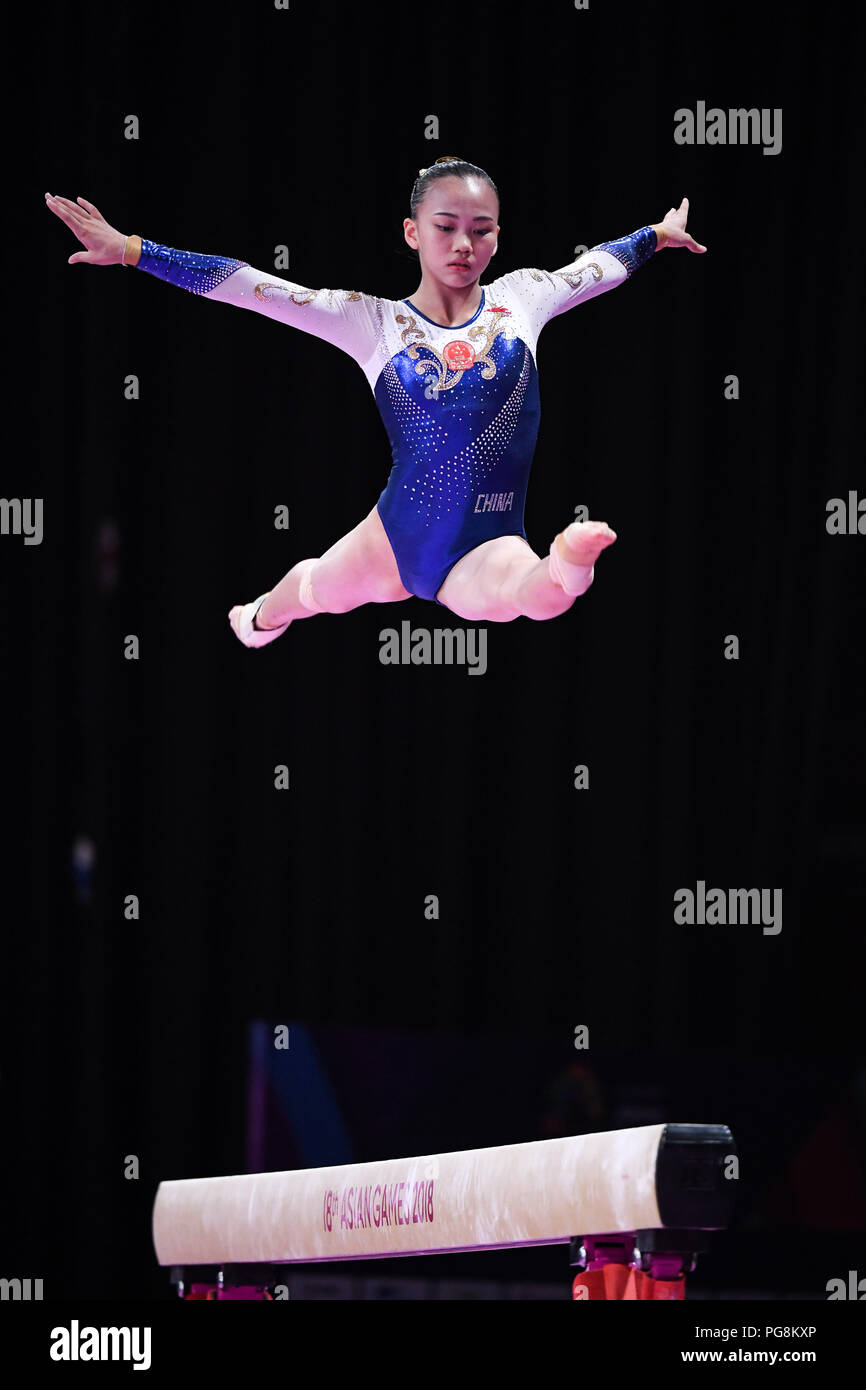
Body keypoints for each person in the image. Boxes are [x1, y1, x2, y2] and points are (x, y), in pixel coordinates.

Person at [44, 159, 706, 648]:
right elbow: (249, 286)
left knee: (530, 596)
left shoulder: (522, 299)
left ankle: (572, 557)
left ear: (498, 238)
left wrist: (656, 233)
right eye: (445, 227)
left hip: (489, 540)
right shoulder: (370, 322)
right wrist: (134, 251)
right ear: (413, 232)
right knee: (309, 592)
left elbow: (598, 265)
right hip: (393, 536)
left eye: (480, 230)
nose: (463, 244)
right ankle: (257, 620)